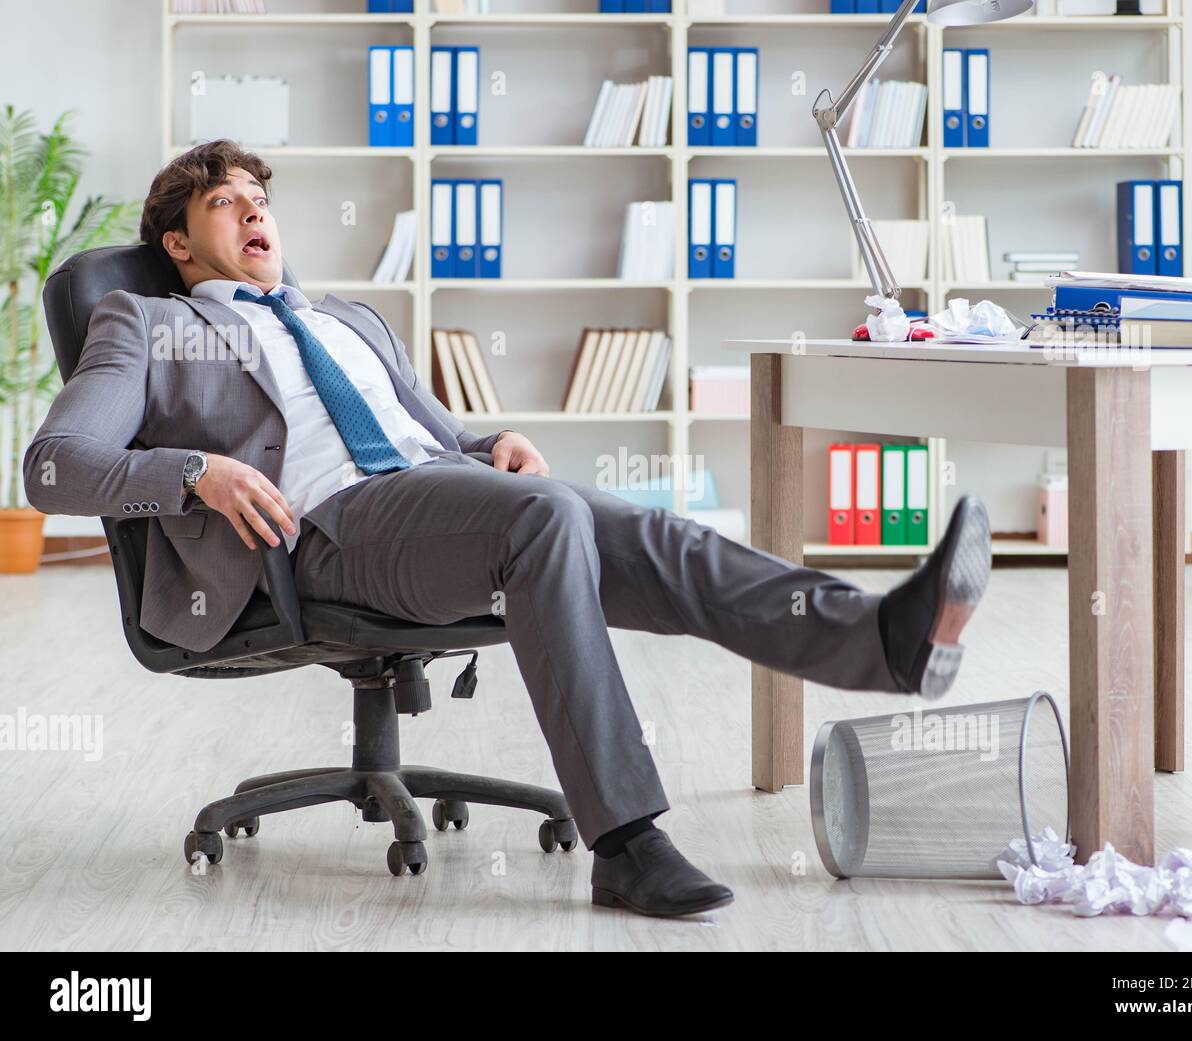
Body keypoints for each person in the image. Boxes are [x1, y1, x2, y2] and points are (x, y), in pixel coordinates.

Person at [24, 140, 992, 918]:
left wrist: (490, 444)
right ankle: (626, 842)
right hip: (318, 535)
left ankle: (880, 640)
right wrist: (196, 473)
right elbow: (54, 467)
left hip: (438, 498)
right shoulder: (143, 324)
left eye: (259, 199)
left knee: (654, 539)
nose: (254, 213)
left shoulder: (352, 321)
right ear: (181, 247)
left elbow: (431, 436)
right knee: (547, 520)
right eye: (225, 204)